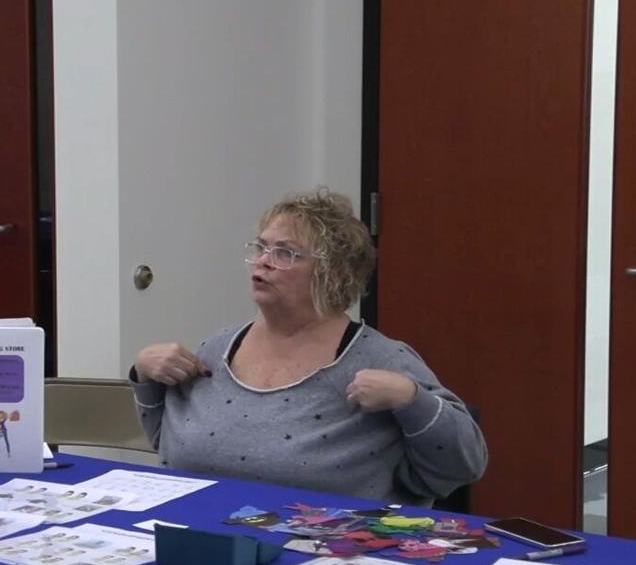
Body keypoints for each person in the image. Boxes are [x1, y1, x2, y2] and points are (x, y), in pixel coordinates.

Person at [131, 189, 485, 506]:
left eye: (285, 253)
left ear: (334, 274)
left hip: (328, 557)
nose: (264, 261)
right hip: (200, 541)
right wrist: (145, 375)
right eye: (261, 248)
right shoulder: (217, 348)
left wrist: (412, 399)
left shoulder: (383, 359)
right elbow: (166, 445)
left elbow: (465, 464)